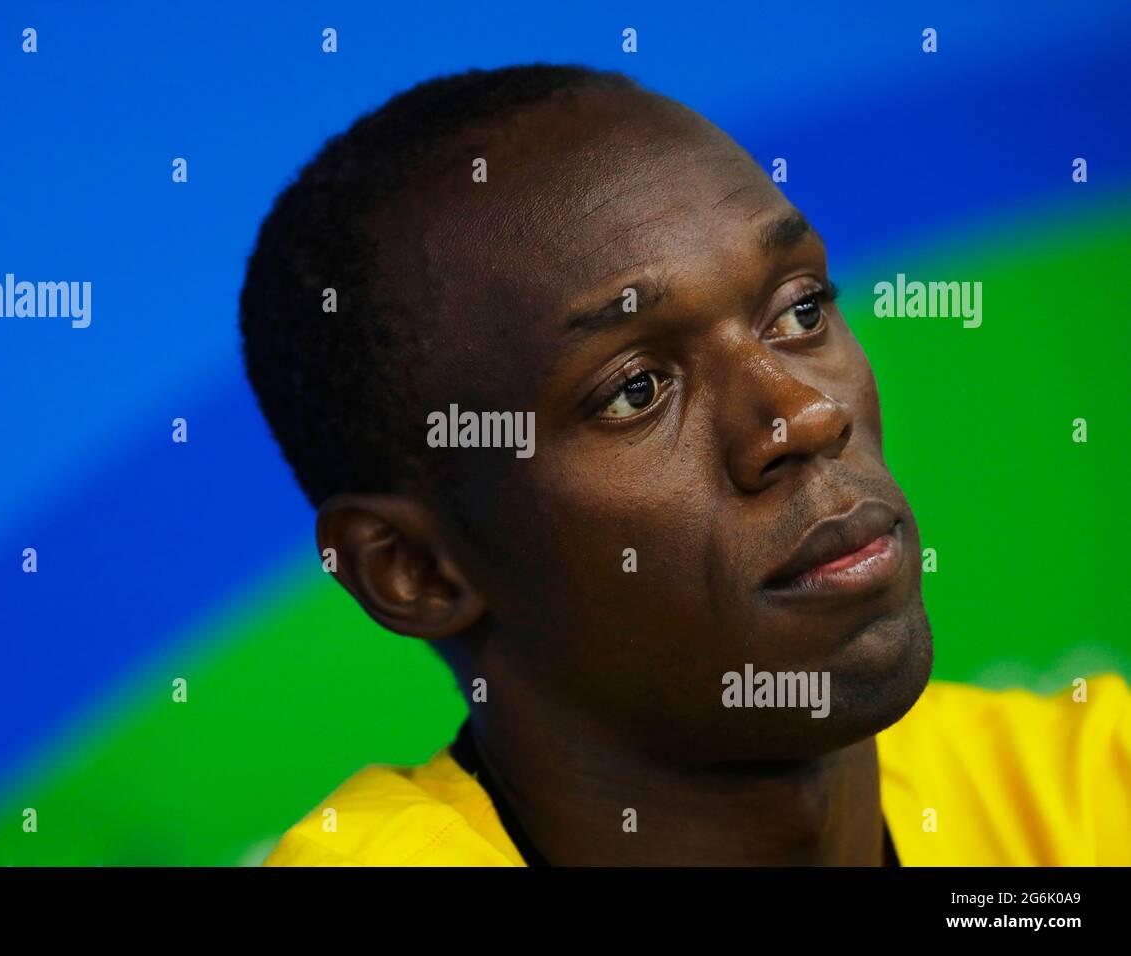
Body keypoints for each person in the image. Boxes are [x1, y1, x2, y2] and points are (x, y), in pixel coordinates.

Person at [238, 64, 1131, 866]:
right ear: (415, 569)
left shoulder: (1092, 791)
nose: (805, 415)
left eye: (800, 309)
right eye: (634, 391)